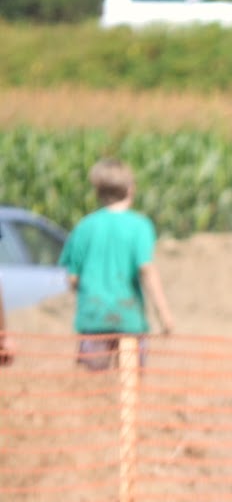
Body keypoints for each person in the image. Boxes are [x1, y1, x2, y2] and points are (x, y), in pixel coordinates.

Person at [59, 158, 175, 370]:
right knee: (128, 391)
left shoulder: (84, 227)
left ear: (98, 192)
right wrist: (164, 314)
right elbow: (147, 270)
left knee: (94, 391)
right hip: (129, 318)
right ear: (130, 189)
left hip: (93, 318)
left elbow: (72, 278)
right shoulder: (139, 226)